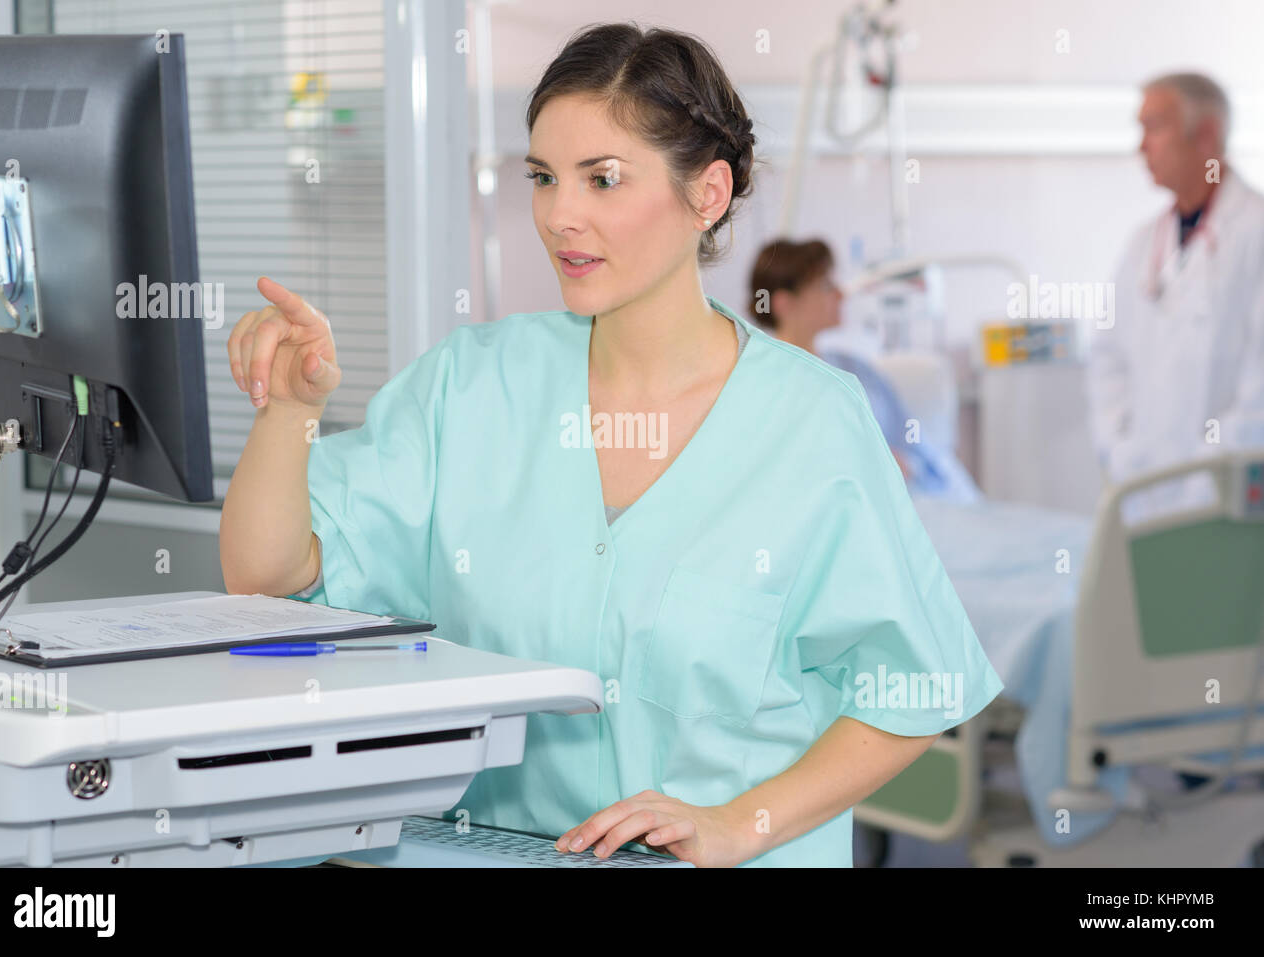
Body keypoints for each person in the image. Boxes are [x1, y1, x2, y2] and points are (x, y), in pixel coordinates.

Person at [220, 22, 1001, 868]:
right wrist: (288, 411)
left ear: (707, 194)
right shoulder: (471, 387)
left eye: (603, 179)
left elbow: (912, 688)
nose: (561, 214)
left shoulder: (812, 423)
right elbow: (268, 576)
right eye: (545, 177)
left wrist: (742, 823)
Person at [1088, 72, 1264, 516]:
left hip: (1228, 497)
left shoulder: (1255, 233)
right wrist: (1121, 448)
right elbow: (1107, 356)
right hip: (1143, 491)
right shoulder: (1143, 243)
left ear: (1204, 135)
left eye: (1153, 127)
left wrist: (1212, 471)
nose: (1141, 147)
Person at [749, 238, 982, 503]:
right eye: (825, 286)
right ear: (783, 304)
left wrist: (907, 466)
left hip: (907, 501)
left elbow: (920, 451)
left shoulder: (857, 370)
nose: (841, 294)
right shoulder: (759, 383)